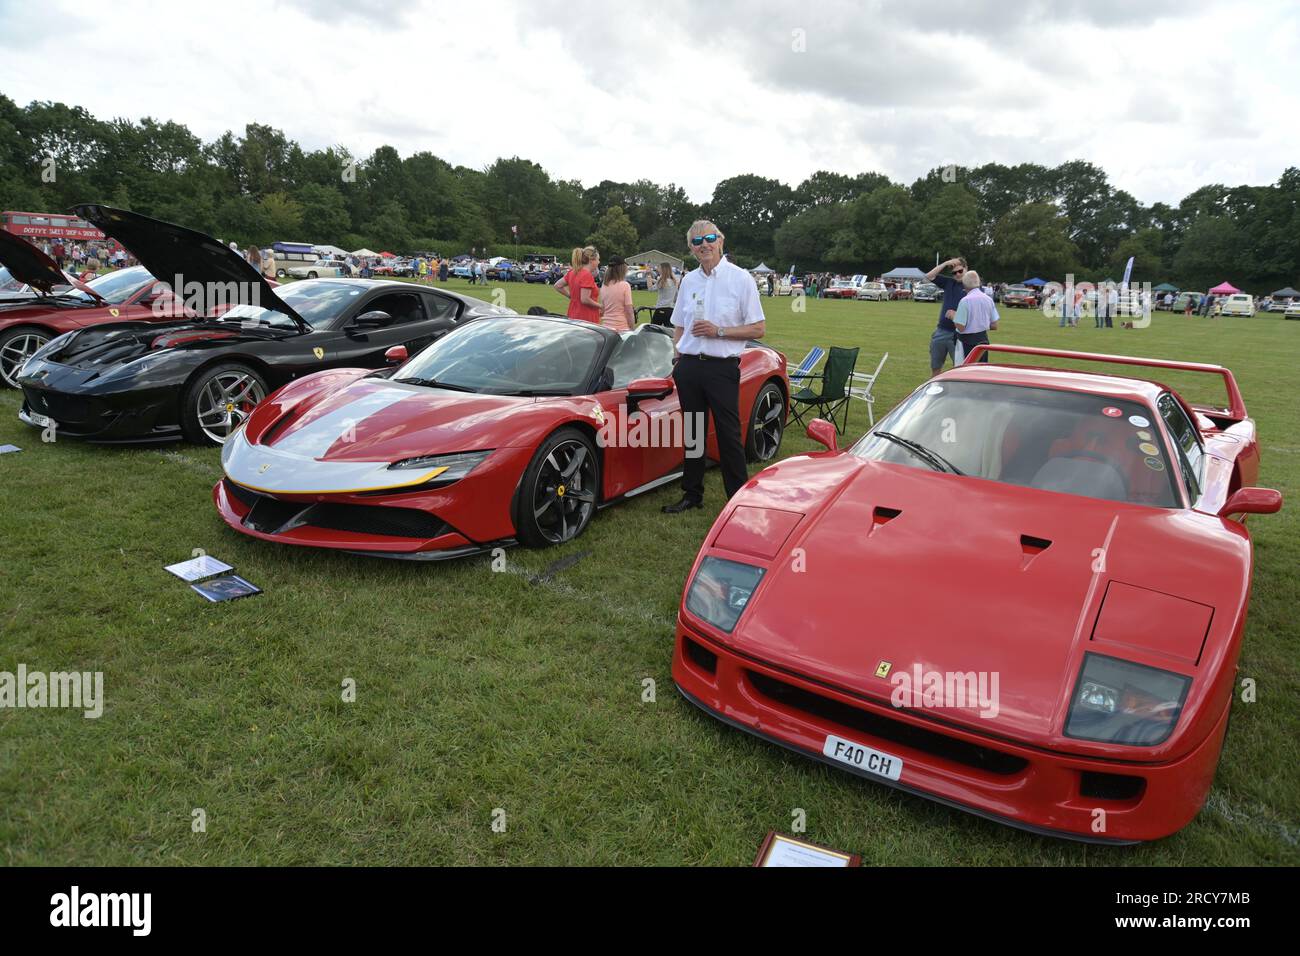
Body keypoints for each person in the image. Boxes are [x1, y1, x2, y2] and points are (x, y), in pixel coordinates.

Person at [662, 220, 765, 514]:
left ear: (720, 240)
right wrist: (678, 357)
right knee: (693, 432)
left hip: (722, 368)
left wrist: (719, 331)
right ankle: (692, 495)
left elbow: (758, 328)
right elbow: (679, 325)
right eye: (696, 241)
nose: (703, 245)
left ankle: (737, 499)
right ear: (691, 249)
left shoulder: (741, 278)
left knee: (728, 434)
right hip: (689, 368)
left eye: (708, 238)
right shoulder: (689, 281)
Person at [923, 257, 969, 375]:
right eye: (954, 273)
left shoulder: (972, 286)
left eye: (960, 271)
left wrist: (957, 316)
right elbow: (929, 276)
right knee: (935, 366)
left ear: (966, 269)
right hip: (941, 331)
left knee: (960, 369)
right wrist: (945, 263)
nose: (957, 275)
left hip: (960, 334)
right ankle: (935, 391)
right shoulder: (949, 282)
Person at [952, 270, 999, 363]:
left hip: (966, 342)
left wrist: (953, 316)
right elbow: (994, 325)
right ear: (978, 282)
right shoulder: (988, 299)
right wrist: (980, 323)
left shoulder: (965, 301)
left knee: (963, 373)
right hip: (983, 341)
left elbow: (961, 327)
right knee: (979, 373)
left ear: (964, 284)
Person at [553, 246, 601, 321]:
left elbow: (557, 285)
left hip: (573, 314)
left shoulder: (573, 272)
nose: (599, 262)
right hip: (586, 318)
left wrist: (571, 296)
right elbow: (585, 299)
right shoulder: (587, 275)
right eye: (598, 259)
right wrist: (601, 306)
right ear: (592, 260)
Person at [598, 256, 634, 332]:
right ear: (622, 269)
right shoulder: (625, 285)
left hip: (606, 327)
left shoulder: (604, 285)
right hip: (621, 328)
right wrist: (632, 328)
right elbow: (629, 312)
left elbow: (602, 309)